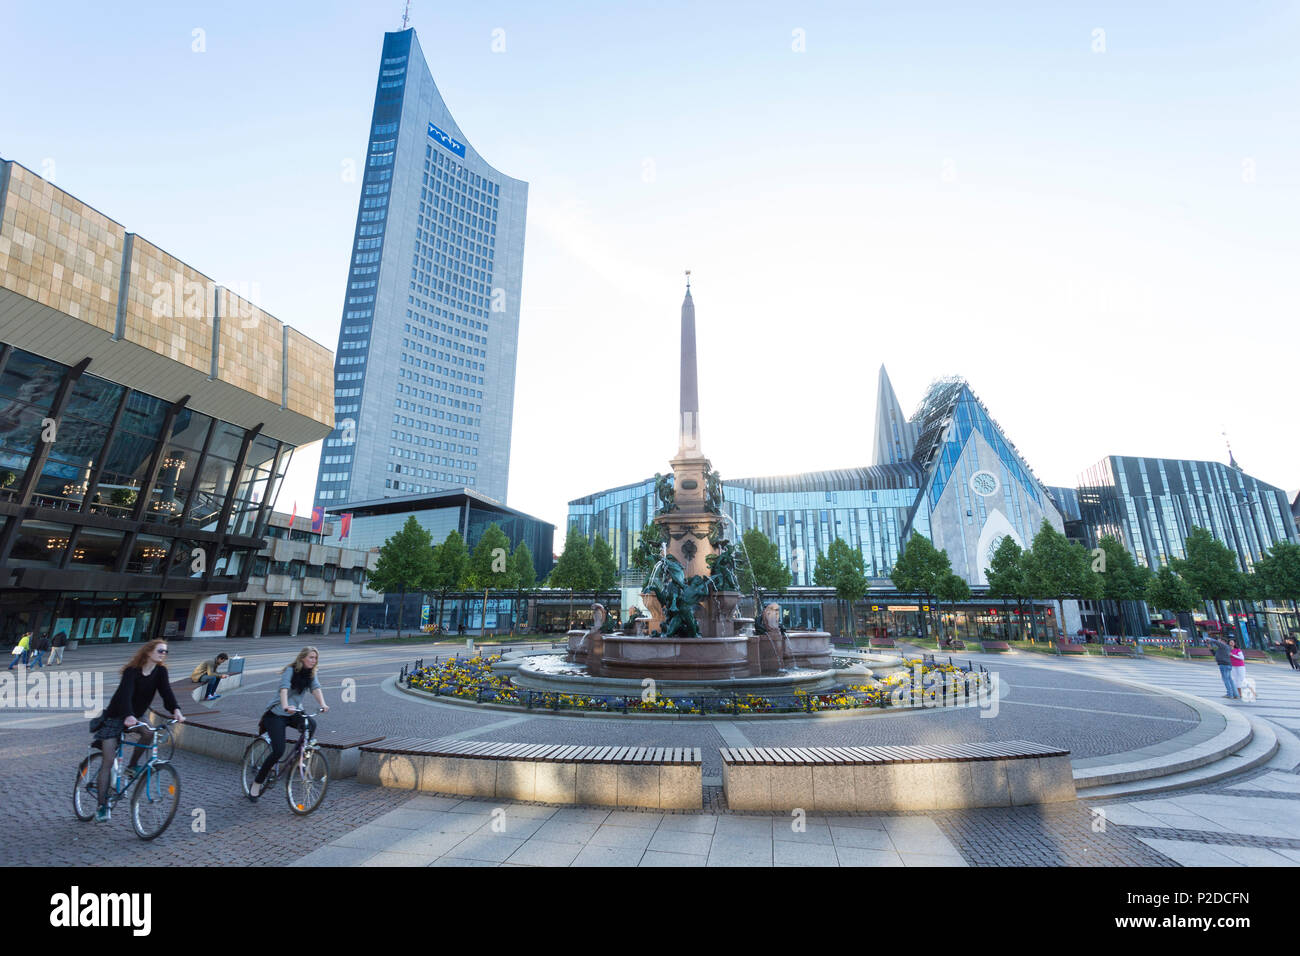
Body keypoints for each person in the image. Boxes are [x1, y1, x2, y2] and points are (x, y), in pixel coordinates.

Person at [89, 640, 185, 822]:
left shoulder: (160, 672)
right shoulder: (131, 671)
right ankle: (102, 806)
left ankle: (132, 766)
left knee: (148, 733)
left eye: (166, 652)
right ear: (149, 652)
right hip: (116, 716)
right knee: (108, 761)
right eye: (160, 650)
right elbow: (125, 694)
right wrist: (127, 715)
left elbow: (166, 693)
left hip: (136, 716)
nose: (164, 654)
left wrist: (176, 710)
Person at [248, 647, 329, 800]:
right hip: (277, 713)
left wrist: (323, 704)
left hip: (295, 712)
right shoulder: (290, 671)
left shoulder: (311, 673)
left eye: (315, 658)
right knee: (278, 750)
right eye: (311, 657)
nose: (314, 660)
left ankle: (301, 757)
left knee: (311, 724)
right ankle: (257, 783)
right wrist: (286, 705)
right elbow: (283, 690)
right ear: (302, 658)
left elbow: (316, 689)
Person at [1207, 635, 1239, 700]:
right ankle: (1235, 694)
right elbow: (1216, 654)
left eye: (1220, 640)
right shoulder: (1224, 648)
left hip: (1224, 665)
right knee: (1230, 680)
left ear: (1223, 642)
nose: (1219, 641)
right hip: (1227, 665)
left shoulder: (1224, 646)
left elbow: (1216, 642)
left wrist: (1210, 639)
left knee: (1226, 680)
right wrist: (1211, 649)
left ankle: (1230, 694)